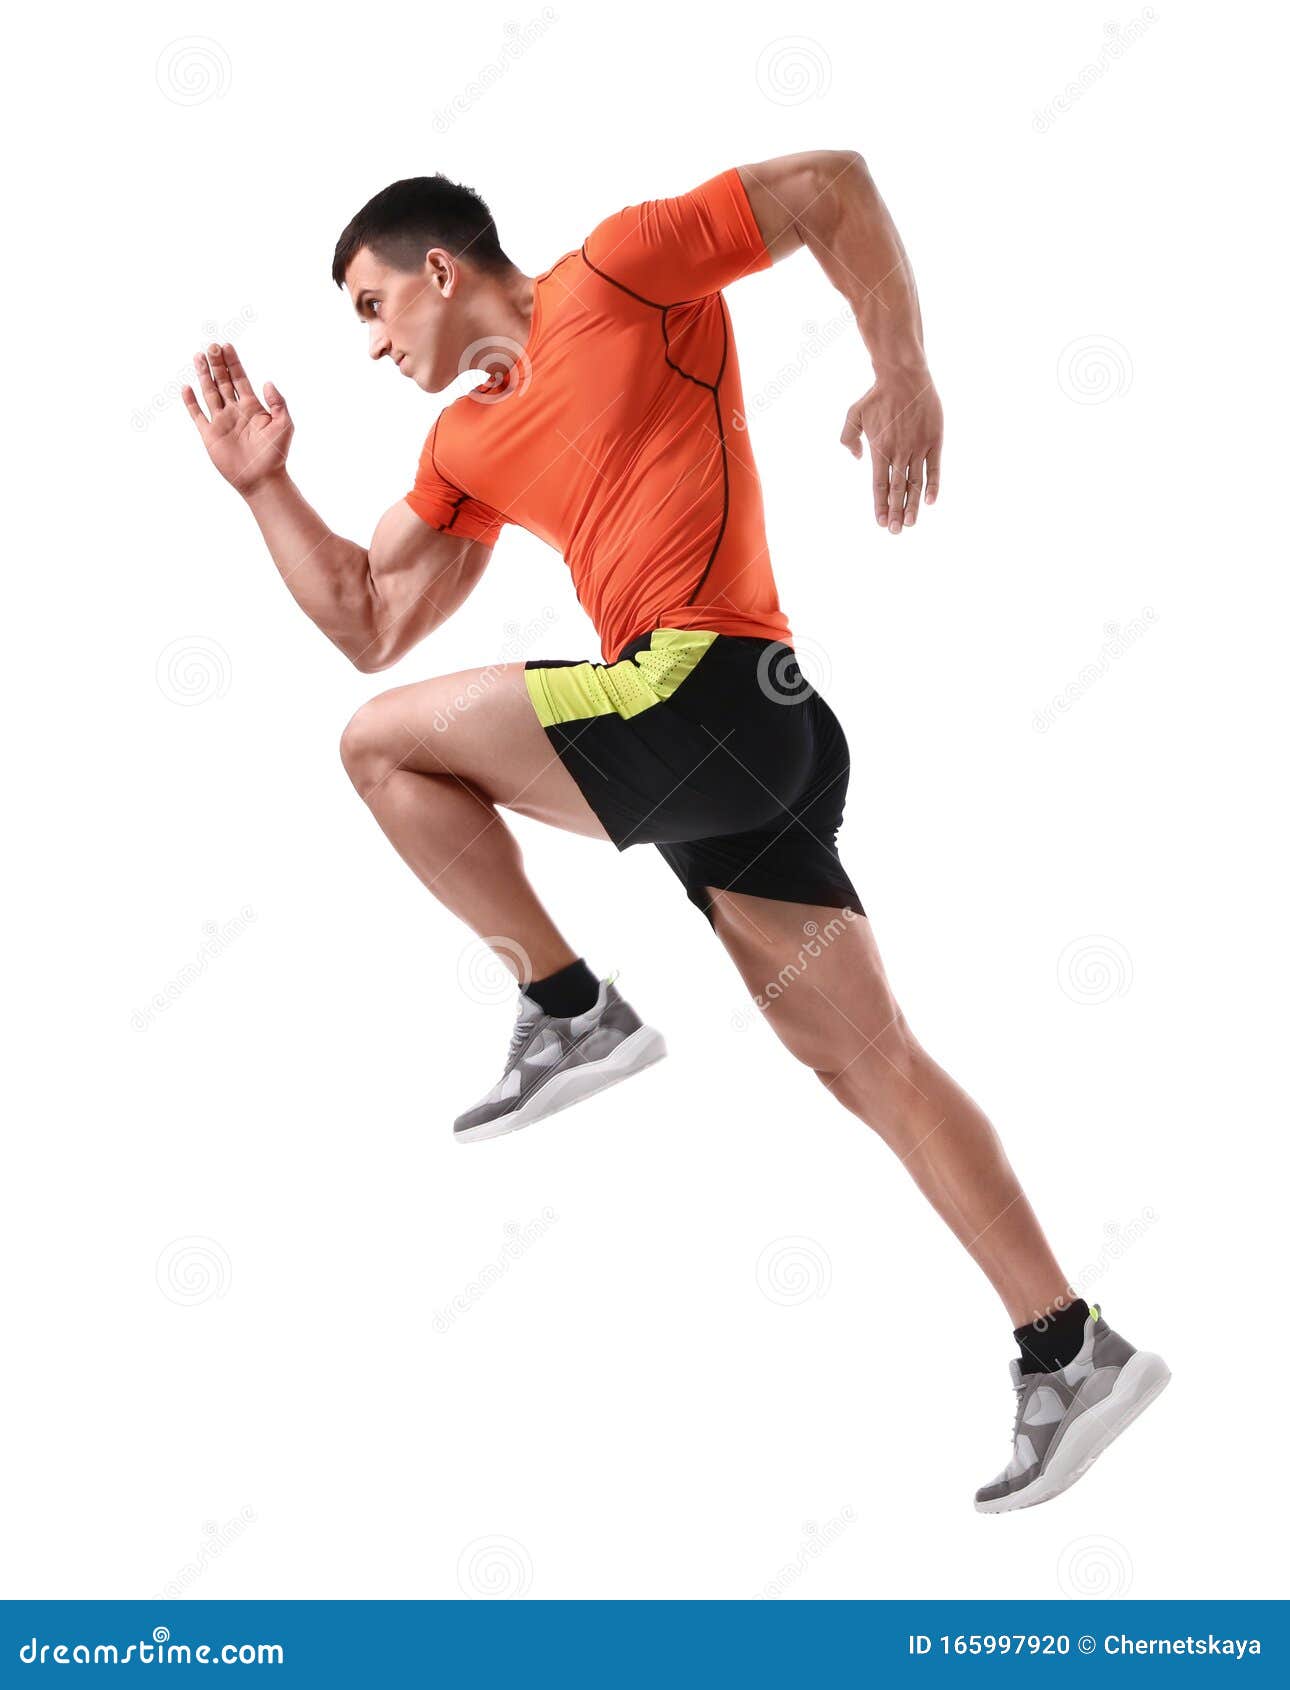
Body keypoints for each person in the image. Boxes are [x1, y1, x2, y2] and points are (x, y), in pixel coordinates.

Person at [182, 150, 1168, 1510]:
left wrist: (901, 367)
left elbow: (829, 185)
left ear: (438, 269)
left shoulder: (621, 271)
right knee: (869, 1064)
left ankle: (569, 1003)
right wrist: (261, 489)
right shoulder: (462, 445)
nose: (367, 341)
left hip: (707, 688)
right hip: (740, 753)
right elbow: (365, 616)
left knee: (376, 750)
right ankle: (1068, 1345)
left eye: (369, 305)